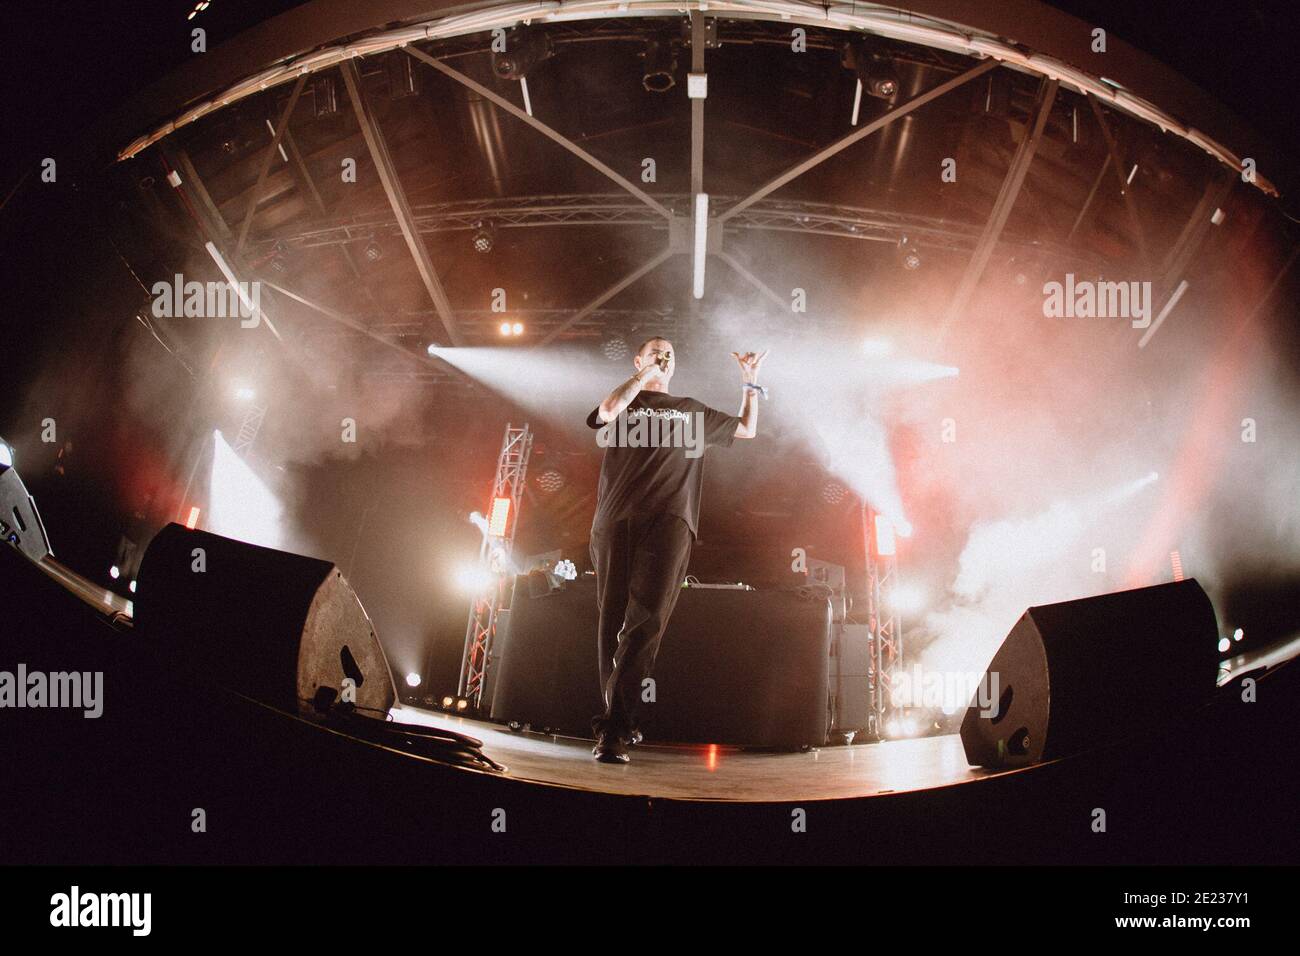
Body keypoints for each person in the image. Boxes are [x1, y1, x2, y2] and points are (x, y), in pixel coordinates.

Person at [585, 336, 768, 763]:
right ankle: (615, 719)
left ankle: (614, 730)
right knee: (611, 621)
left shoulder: (691, 409)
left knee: (644, 622)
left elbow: (747, 428)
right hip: (615, 521)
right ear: (640, 360)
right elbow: (605, 413)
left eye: (670, 354)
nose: (664, 357)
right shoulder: (625, 399)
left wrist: (751, 382)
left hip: (671, 520)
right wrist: (642, 377)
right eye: (655, 352)